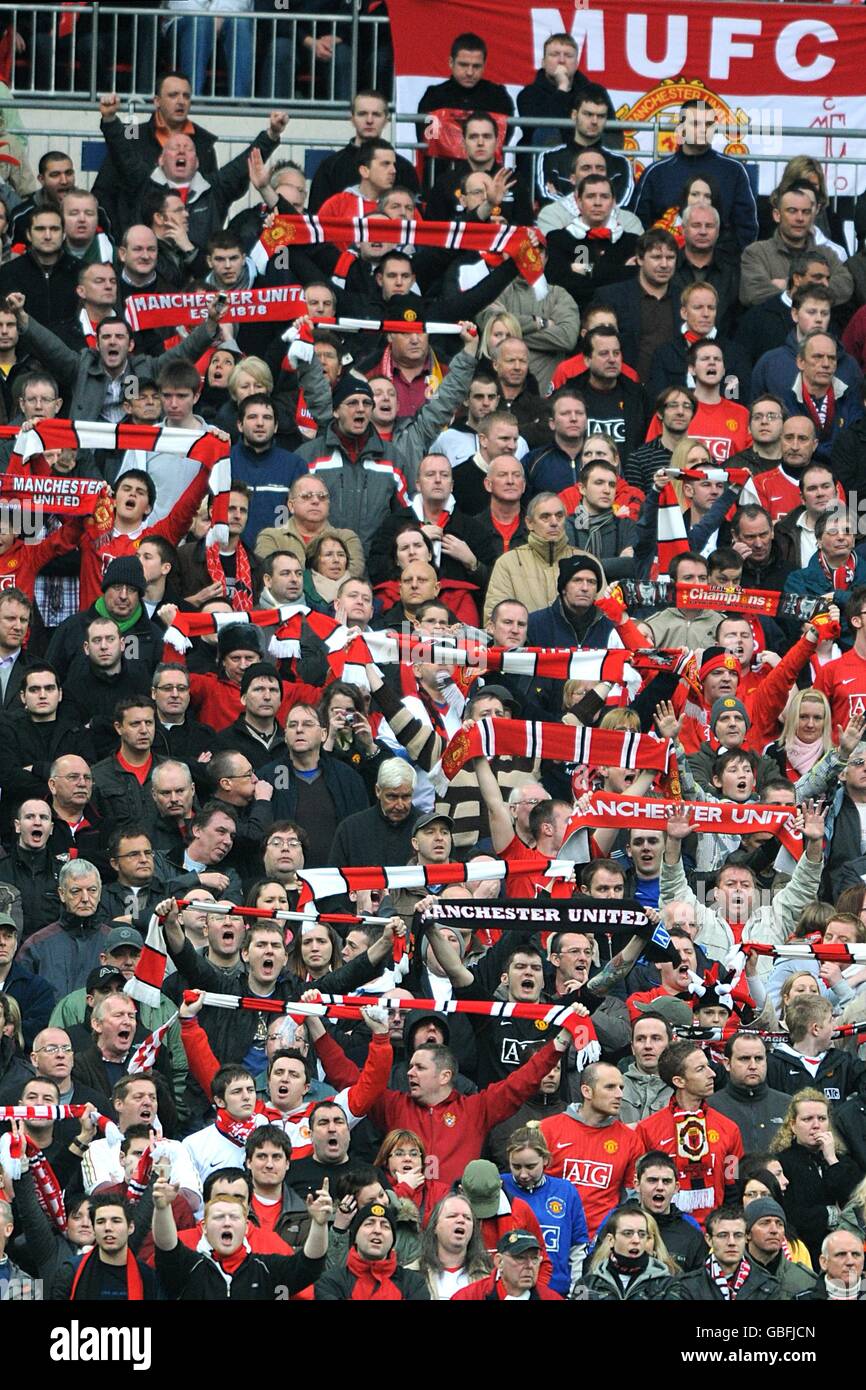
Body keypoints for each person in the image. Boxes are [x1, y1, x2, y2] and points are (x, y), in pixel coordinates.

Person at [770, 1088, 863, 1264]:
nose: (816, 1125)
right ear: (792, 1125)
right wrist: (830, 1214)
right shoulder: (782, 1162)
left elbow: (856, 1199)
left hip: (845, 1252)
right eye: (807, 1119)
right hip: (804, 1251)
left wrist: (831, 1159)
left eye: (822, 1118)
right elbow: (790, 1214)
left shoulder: (843, 1161)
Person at [314, 1197, 430, 1300]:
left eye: (385, 1226)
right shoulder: (330, 1282)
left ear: (392, 1240)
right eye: (369, 1223)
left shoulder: (413, 1283)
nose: (377, 1230)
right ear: (355, 1237)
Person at [51, 1194, 160, 1300]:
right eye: (101, 1222)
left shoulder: (146, 1276)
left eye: (116, 1221)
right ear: (93, 1228)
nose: (108, 1227)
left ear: (130, 1227)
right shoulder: (71, 1271)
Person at [672, 1206, 779, 1301]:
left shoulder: (767, 1285)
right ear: (708, 1240)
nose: (731, 1242)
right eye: (723, 1235)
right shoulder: (687, 1286)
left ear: (747, 1238)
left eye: (738, 1235)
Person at [582, 1203, 676, 1301]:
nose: (636, 1240)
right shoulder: (587, 1285)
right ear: (611, 1240)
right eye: (628, 1233)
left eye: (642, 1234)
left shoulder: (668, 1287)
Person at [451, 1228, 563, 1301]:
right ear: (499, 1262)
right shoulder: (470, 1296)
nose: (529, 1265)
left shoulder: (551, 1298)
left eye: (534, 1258)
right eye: (520, 1258)